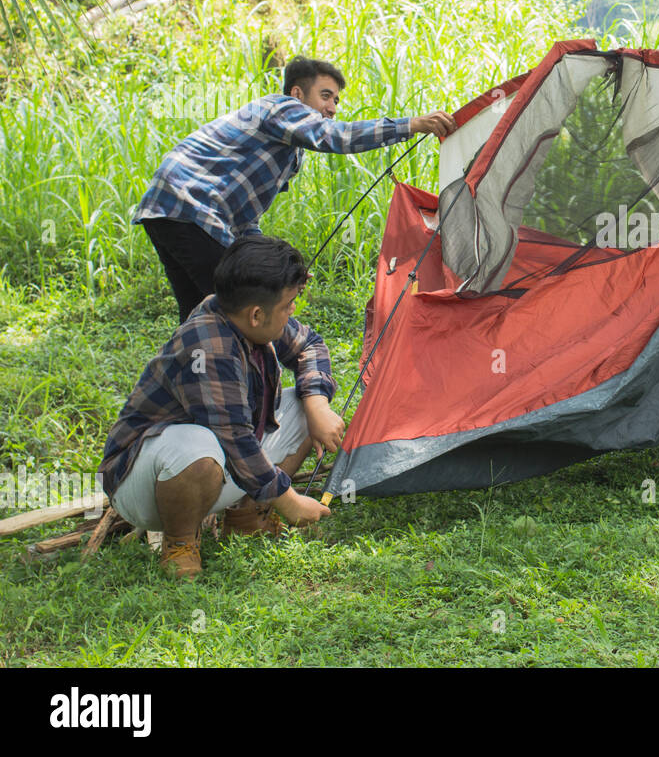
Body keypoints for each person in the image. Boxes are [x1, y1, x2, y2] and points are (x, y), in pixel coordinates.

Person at [135, 56, 458, 324]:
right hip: (192, 205)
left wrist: (281, 267)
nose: (333, 107)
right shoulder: (282, 108)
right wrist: (411, 125)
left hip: (168, 207)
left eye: (336, 101)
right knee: (239, 310)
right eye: (326, 96)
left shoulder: (284, 146)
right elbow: (338, 137)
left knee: (198, 312)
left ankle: (188, 388)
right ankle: (243, 391)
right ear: (298, 94)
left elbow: (246, 221)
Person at [99, 236, 342, 578]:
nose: (292, 312)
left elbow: (311, 346)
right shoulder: (209, 346)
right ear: (257, 314)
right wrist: (291, 502)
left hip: (224, 462)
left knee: (302, 406)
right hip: (145, 483)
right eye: (289, 304)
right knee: (197, 446)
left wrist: (317, 405)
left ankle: (246, 518)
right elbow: (235, 440)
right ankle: (180, 541)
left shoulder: (244, 315)